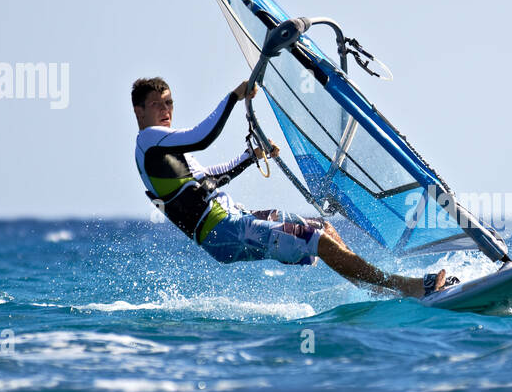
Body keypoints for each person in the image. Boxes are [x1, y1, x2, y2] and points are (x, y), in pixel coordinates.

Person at [132, 76, 456, 298]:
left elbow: (207, 179)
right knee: (317, 242)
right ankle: (407, 287)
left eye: (169, 103)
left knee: (323, 229)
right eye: (158, 105)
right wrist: (234, 97)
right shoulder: (149, 140)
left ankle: (377, 288)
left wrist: (250, 157)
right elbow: (203, 136)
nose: (166, 110)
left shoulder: (164, 149)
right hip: (223, 230)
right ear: (139, 111)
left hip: (231, 222)